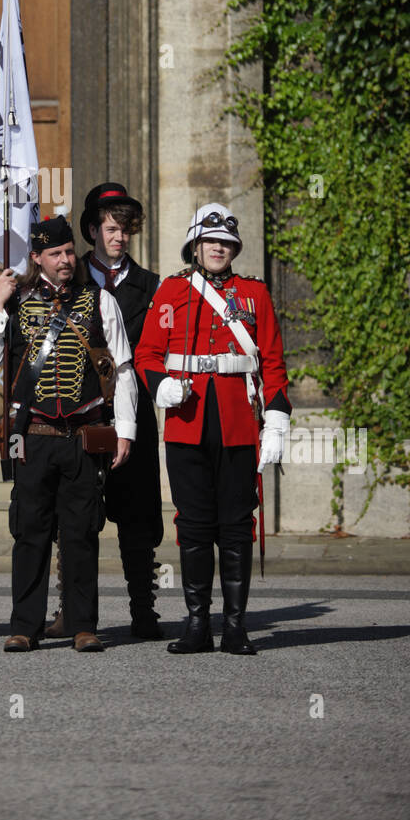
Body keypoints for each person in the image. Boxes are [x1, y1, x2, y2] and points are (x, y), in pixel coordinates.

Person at [0, 215, 138, 652]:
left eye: (68, 252)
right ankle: (25, 625)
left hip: (83, 434)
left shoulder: (99, 301)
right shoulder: (15, 301)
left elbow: (121, 369)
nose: (65, 260)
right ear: (36, 258)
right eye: (55, 254)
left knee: (81, 532)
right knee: (29, 532)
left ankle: (83, 624)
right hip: (33, 434)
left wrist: (126, 430)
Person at [134, 203, 291, 655]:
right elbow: (146, 354)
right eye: (210, 241)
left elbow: (274, 362)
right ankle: (198, 625)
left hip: (239, 423)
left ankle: (236, 627)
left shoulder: (254, 295)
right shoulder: (170, 291)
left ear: (234, 249)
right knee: (195, 525)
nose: (218, 248)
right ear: (195, 246)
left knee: (238, 525)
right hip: (186, 424)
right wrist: (161, 386)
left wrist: (277, 419)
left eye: (226, 242)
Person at [45, 183, 164, 639]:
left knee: (137, 516)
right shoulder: (68, 284)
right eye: (112, 229)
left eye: (126, 230)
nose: (120, 238)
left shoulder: (150, 285)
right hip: (78, 415)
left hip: (133, 413)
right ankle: (70, 611)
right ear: (93, 229)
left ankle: (143, 609)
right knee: (72, 516)